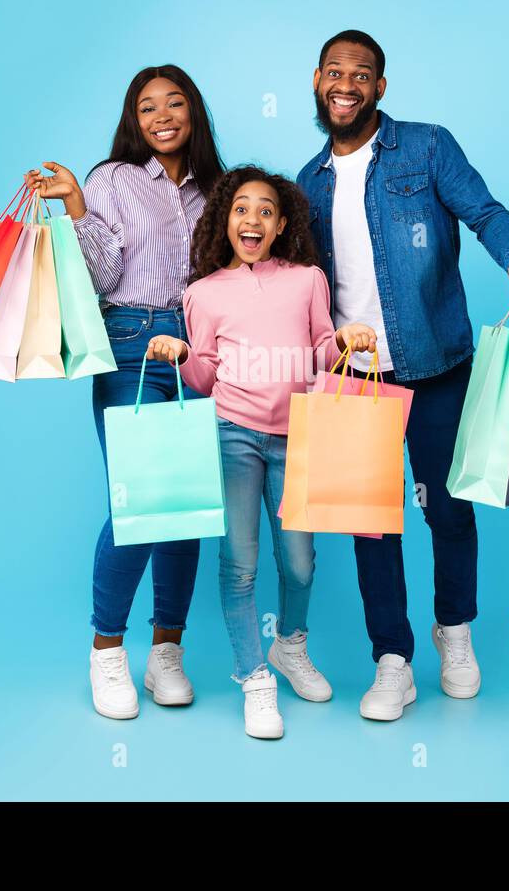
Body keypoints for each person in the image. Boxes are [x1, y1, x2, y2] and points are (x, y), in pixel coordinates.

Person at [295, 30, 509, 721]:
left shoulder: (427, 147)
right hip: (356, 376)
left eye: (363, 73)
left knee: (448, 507)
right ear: (318, 80)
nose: (347, 83)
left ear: (381, 87)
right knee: (369, 524)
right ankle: (393, 662)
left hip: (438, 363)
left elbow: (486, 213)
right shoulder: (305, 183)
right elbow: (299, 283)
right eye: (335, 71)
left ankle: (456, 633)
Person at [145, 166, 377, 739]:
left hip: (300, 434)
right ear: (225, 221)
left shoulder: (307, 280)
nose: (253, 219)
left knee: (300, 562)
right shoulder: (200, 293)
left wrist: (345, 340)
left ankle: (289, 646)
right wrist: (178, 354)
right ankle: (254, 679)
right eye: (241, 208)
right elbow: (203, 377)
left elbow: (323, 347)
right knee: (241, 565)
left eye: (266, 211)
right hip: (234, 437)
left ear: (281, 227)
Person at [24, 65, 224, 720]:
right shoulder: (111, 179)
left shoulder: (216, 190)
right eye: (147, 107)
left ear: (192, 113)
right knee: (140, 503)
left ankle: (167, 651)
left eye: (174, 104)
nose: (162, 116)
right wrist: (77, 206)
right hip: (132, 342)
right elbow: (104, 275)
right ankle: (107, 653)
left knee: (186, 505)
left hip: (195, 346)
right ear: (133, 120)